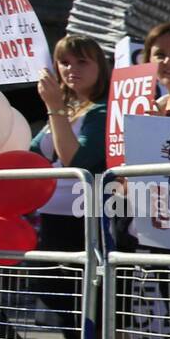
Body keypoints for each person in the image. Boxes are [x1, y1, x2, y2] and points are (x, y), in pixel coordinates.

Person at [30, 34, 110, 253]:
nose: (71, 69)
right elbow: (32, 154)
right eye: (64, 62)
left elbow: (74, 161)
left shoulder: (105, 109)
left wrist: (54, 106)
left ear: (100, 67)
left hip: (85, 220)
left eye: (82, 61)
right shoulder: (66, 107)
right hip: (50, 215)